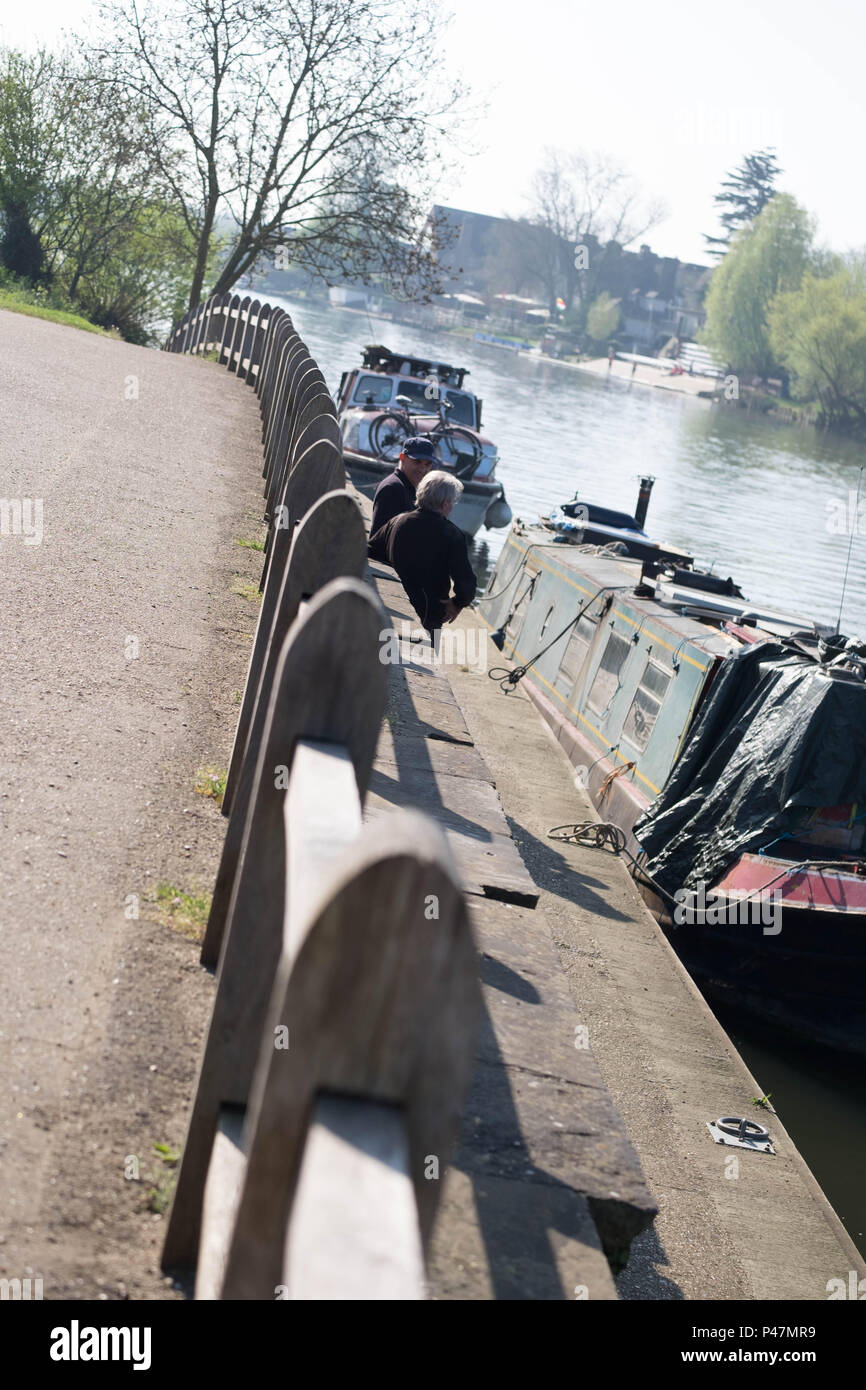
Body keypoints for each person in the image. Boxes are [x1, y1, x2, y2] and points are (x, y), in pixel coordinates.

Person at [368, 470, 477, 639]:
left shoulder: (398, 521)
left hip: (391, 603)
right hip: (427, 615)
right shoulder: (452, 535)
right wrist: (457, 603)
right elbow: (466, 583)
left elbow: (371, 551)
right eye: (453, 502)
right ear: (446, 504)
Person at [369, 436, 435, 535]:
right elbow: (379, 537)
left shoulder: (406, 487)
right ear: (402, 458)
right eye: (417, 462)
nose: (422, 469)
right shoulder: (392, 488)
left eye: (427, 464)